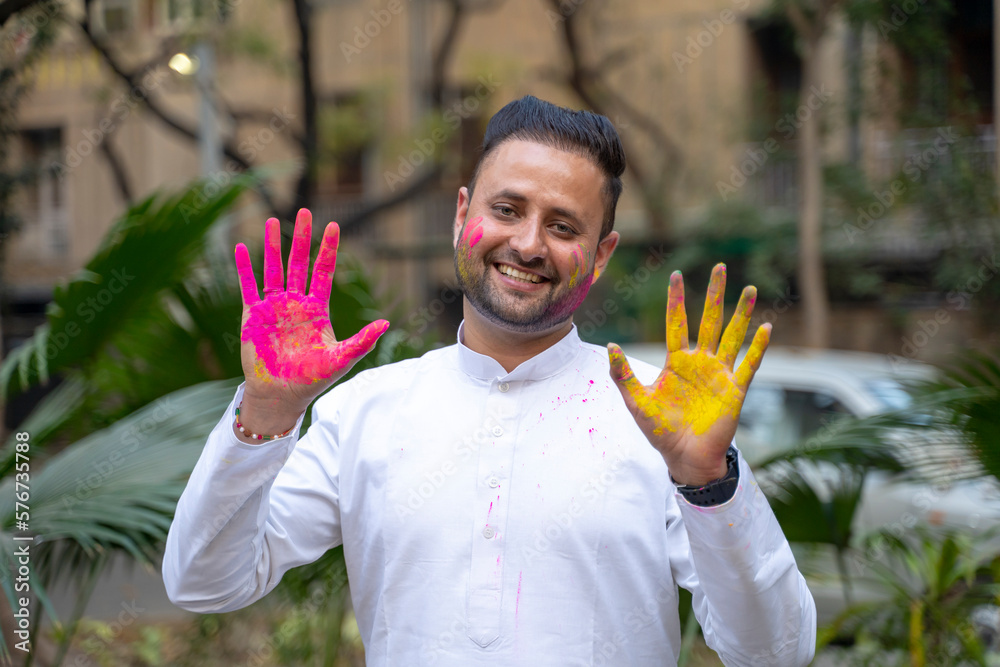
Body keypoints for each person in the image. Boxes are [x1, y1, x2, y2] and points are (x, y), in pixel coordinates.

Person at [163, 95, 816, 665]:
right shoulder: (366, 410)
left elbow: (775, 651)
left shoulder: (663, 421)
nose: (529, 244)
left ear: (600, 255)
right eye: (507, 209)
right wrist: (265, 412)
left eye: (563, 226)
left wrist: (709, 482)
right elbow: (202, 582)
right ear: (461, 214)